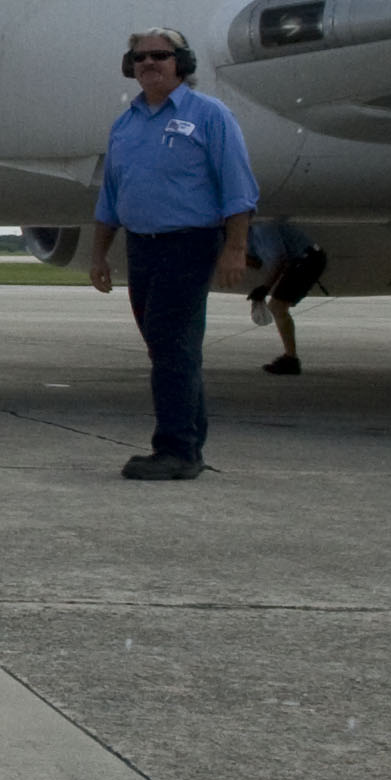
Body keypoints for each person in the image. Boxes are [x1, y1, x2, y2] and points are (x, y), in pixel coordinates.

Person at [88, 27, 256, 480]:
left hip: (190, 243)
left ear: (181, 63)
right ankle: (188, 442)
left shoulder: (210, 116)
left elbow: (238, 190)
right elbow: (111, 197)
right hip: (142, 246)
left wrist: (235, 248)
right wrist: (99, 254)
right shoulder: (126, 124)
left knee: (171, 344)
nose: (149, 64)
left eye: (160, 56)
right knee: (167, 347)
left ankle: (177, 450)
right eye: (140, 58)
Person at [244, 218, 327, 376]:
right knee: (278, 307)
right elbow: (259, 263)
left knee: (277, 307)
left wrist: (265, 288)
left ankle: (291, 360)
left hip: (307, 260)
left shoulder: (262, 229)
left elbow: (279, 259)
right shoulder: (250, 238)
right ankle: (290, 358)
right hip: (303, 261)